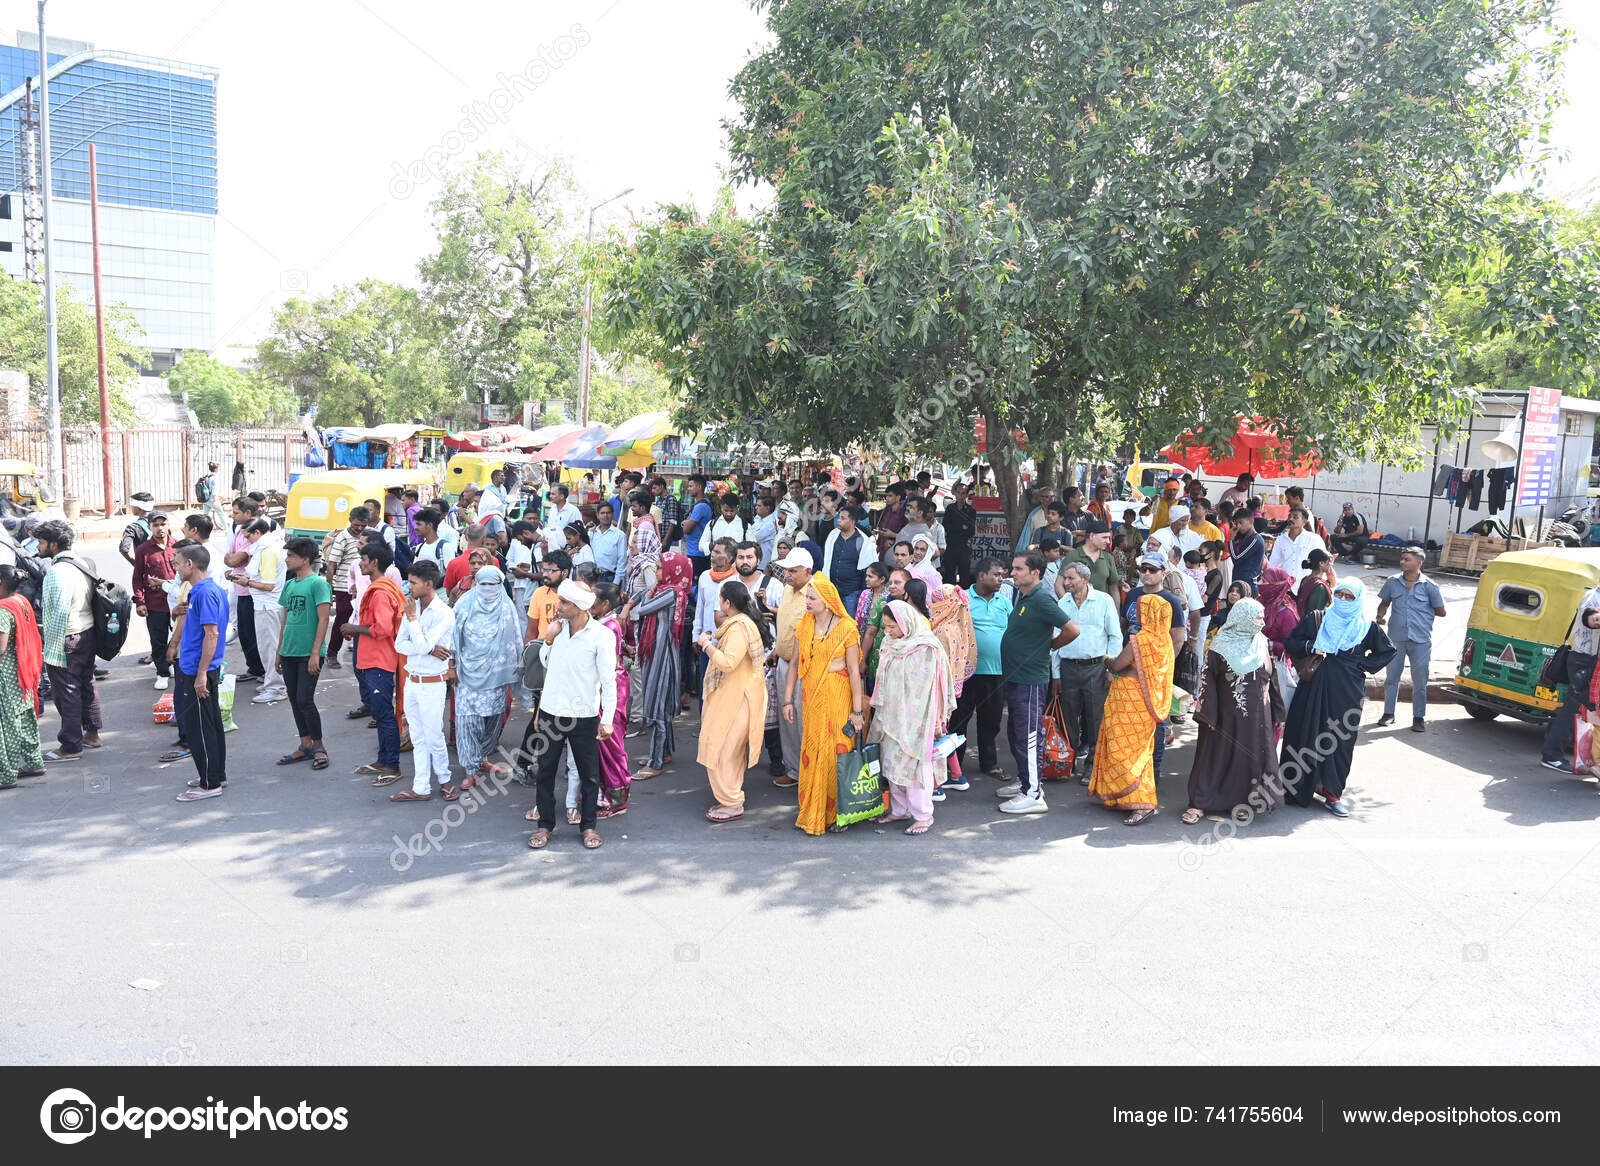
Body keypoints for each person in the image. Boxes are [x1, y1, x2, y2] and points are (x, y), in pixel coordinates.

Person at [1279, 579, 1396, 817]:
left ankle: (1332, 794)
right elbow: (1292, 642)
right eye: (1339, 594)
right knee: (1303, 731)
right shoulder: (1317, 619)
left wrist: (1360, 665)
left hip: (1346, 690)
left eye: (1349, 596)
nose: (1343, 600)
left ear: (1359, 600)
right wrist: (1312, 646)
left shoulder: (1367, 627)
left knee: (1338, 739)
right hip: (1313, 686)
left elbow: (1387, 651)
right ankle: (1295, 789)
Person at [525, 580, 617, 851]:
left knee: (589, 774)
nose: (558, 606)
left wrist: (608, 718)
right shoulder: (557, 630)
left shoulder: (601, 635)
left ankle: (588, 826)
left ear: (578, 607)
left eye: (564, 602)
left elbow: (608, 680)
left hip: (584, 714)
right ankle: (545, 825)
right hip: (552, 711)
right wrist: (549, 639)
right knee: (546, 771)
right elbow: (545, 665)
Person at [1182, 598, 1286, 825]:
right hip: (1224, 718)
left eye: (1261, 616)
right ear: (1242, 618)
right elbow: (1207, 678)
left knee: (1247, 762)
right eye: (1257, 617)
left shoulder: (1262, 643)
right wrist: (1208, 712)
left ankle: (1243, 803)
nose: (1262, 622)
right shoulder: (1220, 645)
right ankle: (1200, 803)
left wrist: (1278, 712)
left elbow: (1272, 677)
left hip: (1258, 718)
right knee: (1214, 759)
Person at [995, 551, 1079, 814]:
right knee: (1016, 734)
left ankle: (1033, 793)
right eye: (1013, 568)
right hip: (1017, 678)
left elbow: (1072, 629)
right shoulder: (1026, 596)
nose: (1012, 573)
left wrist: (1051, 646)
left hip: (1030, 680)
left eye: (1019, 569)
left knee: (1028, 736)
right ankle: (1026, 781)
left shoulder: (1042, 598)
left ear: (1036, 573)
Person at [783, 575, 865, 835]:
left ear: (828, 602)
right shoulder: (804, 626)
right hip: (812, 697)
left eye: (811, 597)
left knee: (836, 754)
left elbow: (854, 672)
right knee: (813, 751)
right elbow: (794, 665)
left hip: (839, 697)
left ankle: (839, 814)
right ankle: (813, 810)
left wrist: (857, 711)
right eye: (807, 597)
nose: (806, 601)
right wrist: (787, 700)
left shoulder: (847, 628)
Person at [1088, 592, 1176, 825]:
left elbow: (1118, 664)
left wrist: (1106, 660)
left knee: (1122, 749)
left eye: (1140, 609)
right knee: (1140, 752)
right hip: (1147, 704)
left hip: (1129, 701)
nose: (1137, 613)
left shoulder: (1141, 639)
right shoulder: (1165, 640)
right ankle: (1125, 796)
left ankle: (1143, 801)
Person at [870, 599, 955, 835]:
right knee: (891, 763)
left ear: (906, 622)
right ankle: (900, 810)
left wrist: (938, 719)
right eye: (886, 627)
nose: (888, 632)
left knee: (915, 765)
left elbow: (937, 687)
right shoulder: (890, 643)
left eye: (892, 627)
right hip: (891, 715)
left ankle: (923, 815)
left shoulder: (927, 647)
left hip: (918, 717)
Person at [697, 578, 772, 822]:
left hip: (738, 698)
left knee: (721, 750)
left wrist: (707, 645)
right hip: (737, 695)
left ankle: (731, 803)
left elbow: (728, 663)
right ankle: (731, 797)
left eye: (720, 600)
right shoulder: (743, 624)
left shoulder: (740, 628)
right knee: (730, 751)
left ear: (727, 603)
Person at [388, 559, 457, 803]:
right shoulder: (412, 608)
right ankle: (421, 786)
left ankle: (445, 780)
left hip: (432, 682)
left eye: (414, 583)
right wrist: (427, 649)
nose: (409, 587)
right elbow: (400, 644)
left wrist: (416, 628)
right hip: (412, 681)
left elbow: (420, 643)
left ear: (429, 584)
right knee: (417, 736)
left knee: (434, 736)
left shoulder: (443, 613)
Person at [35, 520, 102, 762]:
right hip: (87, 632)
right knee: (86, 684)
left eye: (41, 541)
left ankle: (71, 746)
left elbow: (58, 613)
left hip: (67, 637)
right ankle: (92, 734)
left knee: (67, 691)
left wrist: (50, 651)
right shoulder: (81, 563)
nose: (38, 546)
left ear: (53, 544)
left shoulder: (57, 571)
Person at [450, 564, 520, 786]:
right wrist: (451, 665)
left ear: (501, 585)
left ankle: (481, 758)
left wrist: (518, 667)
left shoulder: (507, 605)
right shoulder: (464, 604)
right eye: (484, 585)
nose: (489, 589)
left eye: (494, 585)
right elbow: (452, 636)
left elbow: (515, 638)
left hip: (496, 675)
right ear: (476, 584)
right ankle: (470, 769)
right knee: (468, 721)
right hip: (468, 672)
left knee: (493, 718)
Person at [1053, 559, 1123, 782]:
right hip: (1068, 667)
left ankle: (1092, 765)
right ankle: (1068, 761)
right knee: (1068, 717)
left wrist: (1111, 669)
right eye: (1065, 578)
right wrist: (1056, 675)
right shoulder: (1063, 602)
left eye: (1071, 578)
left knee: (1095, 718)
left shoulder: (1103, 600)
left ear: (1085, 579)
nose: (1066, 582)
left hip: (1097, 668)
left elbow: (1115, 636)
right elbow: (1054, 642)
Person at [342, 541, 405, 783]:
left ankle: (392, 765)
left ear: (375, 562)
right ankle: (383, 759)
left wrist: (353, 627)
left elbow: (383, 628)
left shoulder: (379, 592)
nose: (360, 563)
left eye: (364, 559)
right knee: (381, 713)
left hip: (380, 660)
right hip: (377, 658)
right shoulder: (384, 587)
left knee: (384, 714)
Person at [171, 544, 229, 801]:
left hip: (198, 669)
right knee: (212, 723)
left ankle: (209, 784)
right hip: (202, 667)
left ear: (190, 565)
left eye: (178, 563)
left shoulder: (204, 593)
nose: (175, 567)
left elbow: (212, 633)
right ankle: (215, 774)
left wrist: (201, 673)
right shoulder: (210, 589)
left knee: (200, 728)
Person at [629, 550, 692, 781]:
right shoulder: (665, 589)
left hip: (662, 657)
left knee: (657, 705)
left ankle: (655, 763)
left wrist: (644, 597)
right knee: (659, 704)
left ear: (672, 571)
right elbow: (638, 596)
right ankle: (663, 753)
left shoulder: (673, 593)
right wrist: (631, 604)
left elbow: (644, 608)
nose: (656, 572)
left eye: (659, 568)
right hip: (654, 653)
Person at [948, 558, 1010, 781]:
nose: (1000, 579)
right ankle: (954, 766)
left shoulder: (1004, 602)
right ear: (981, 575)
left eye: (1002, 575)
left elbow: (1011, 631)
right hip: (967, 672)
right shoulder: (961, 598)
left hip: (996, 671)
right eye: (996, 574)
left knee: (991, 721)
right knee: (959, 720)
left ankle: (990, 764)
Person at [1374, 547, 1447, 733]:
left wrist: (1423, 614)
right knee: (1392, 678)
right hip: (1396, 638)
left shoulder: (1430, 586)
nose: (1402, 562)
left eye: (1407, 559)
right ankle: (1388, 714)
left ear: (1418, 563)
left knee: (1420, 681)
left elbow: (1442, 611)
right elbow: (1384, 603)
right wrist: (1380, 616)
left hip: (1421, 640)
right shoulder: (1392, 582)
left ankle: (1418, 717)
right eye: (1402, 559)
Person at [275, 538, 332, 772]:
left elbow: (323, 619)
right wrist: (279, 651)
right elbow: (285, 619)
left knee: (305, 700)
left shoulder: (318, 584)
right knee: (295, 700)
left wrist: (316, 653)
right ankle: (305, 744)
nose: (287, 559)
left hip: (309, 653)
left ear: (305, 559)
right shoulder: (290, 585)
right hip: (289, 650)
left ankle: (319, 746)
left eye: (291, 556)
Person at [769, 546, 814, 789]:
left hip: (806, 668)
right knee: (787, 719)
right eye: (786, 570)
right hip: (784, 661)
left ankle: (809, 771)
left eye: (793, 571)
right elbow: (786, 625)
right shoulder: (788, 589)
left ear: (808, 571)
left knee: (802, 719)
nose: (787, 575)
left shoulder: (817, 593)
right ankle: (794, 769)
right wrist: (778, 650)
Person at [589, 583, 633, 817]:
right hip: (605, 684)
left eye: (592, 599)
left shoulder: (609, 626)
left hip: (610, 687)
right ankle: (602, 793)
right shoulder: (602, 622)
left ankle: (616, 800)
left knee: (610, 743)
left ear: (605, 604)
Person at [0, 565, 44, 789]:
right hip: (24, 671)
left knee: (6, 723)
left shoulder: (2, 609)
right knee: (25, 716)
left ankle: (5, 775)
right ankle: (35, 761)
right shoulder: (21, 601)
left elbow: (1, 647)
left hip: (6, 674)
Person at [319, 505, 369, 669]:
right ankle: (332, 653)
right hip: (344, 587)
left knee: (363, 620)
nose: (360, 529)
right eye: (357, 525)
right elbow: (331, 565)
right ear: (350, 520)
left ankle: (360, 653)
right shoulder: (341, 538)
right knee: (342, 619)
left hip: (365, 587)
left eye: (363, 525)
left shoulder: (369, 536)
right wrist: (329, 590)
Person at [132, 512, 176, 691]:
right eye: (156, 525)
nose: (160, 528)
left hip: (176, 601)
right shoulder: (143, 550)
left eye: (163, 524)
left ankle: (173, 664)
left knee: (179, 637)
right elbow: (137, 578)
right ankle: (162, 673)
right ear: (150, 527)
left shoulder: (177, 546)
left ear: (168, 525)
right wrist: (139, 601)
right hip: (155, 603)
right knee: (158, 639)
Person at [821, 505, 874, 615]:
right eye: (839, 517)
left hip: (851, 593)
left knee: (849, 623)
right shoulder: (833, 535)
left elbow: (867, 569)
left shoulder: (862, 541)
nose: (839, 520)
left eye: (843, 518)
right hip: (832, 589)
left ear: (853, 521)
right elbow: (827, 560)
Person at [1267, 507, 1326, 587]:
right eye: (1289, 516)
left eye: (1295, 517)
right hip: (1285, 585)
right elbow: (1273, 563)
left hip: (1306, 585)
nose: (1291, 519)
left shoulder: (1314, 539)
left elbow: (1324, 562)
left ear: (1304, 522)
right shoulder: (1281, 539)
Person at [1061, 520, 1118, 599]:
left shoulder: (1109, 558)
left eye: (1109, 538)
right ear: (1091, 536)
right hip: (1077, 608)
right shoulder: (1073, 555)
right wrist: (1068, 605)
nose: (1108, 541)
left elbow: (1114, 590)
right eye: (1104, 537)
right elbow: (1059, 584)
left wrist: (1115, 611)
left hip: (1101, 609)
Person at [941, 480, 977, 587]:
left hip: (964, 546)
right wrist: (961, 527)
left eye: (963, 493)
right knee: (949, 575)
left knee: (964, 576)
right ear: (955, 493)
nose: (960, 496)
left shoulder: (971, 510)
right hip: (951, 545)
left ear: (966, 495)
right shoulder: (950, 508)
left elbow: (970, 531)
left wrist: (958, 527)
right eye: (958, 493)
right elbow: (946, 527)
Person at [506, 521, 540, 615]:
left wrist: (525, 574)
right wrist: (528, 567)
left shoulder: (541, 546)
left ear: (526, 533)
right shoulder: (535, 546)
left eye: (520, 540)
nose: (522, 543)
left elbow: (545, 574)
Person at [1012, 485, 1055, 554]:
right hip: (1037, 552)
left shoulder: (1059, 513)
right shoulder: (1034, 515)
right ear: (1040, 499)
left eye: (1052, 496)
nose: (1051, 499)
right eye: (1047, 497)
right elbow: (1026, 536)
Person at [1229, 509, 1265, 590]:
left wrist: (1231, 540)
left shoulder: (1255, 540)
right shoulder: (1245, 537)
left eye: (1241, 523)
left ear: (1251, 521)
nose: (1238, 526)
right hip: (1239, 581)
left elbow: (1236, 559)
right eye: (1236, 523)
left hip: (1248, 584)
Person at [118, 493, 157, 567]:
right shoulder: (163, 523)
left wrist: (136, 565)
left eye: (132, 505)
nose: (131, 507)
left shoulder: (133, 527)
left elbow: (123, 549)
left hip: (145, 569)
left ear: (138, 507)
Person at [590, 501, 626, 582]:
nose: (605, 515)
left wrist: (616, 583)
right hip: (592, 577)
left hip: (609, 578)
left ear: (613, 514)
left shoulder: (619, 535)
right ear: (597, 515)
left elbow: (622, 561)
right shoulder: (592, 533)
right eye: (602, 513)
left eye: (608, 513)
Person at [1296, 548, 1337, 618]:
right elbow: (1317, 615)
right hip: (1311, 625)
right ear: (1321, 563)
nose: (1331, 565)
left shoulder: (1305, 579)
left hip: (1302, 621)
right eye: (1329, 562)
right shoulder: (1319, 586)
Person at [854, 561, 890, 637]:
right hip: (863, 636)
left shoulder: (888, 597)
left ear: (882, 579)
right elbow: (858, 618)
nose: (866, 579)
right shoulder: (865, 594)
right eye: (866, 576)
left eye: (870, 576)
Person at [749, 495, 779, 568]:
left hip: (764, 564)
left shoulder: (771, 523)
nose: (756, 508)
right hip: (757, 561)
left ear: (767, 508)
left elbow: (753, 538)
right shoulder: (759, 519)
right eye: (756, 505)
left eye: (759, 505)